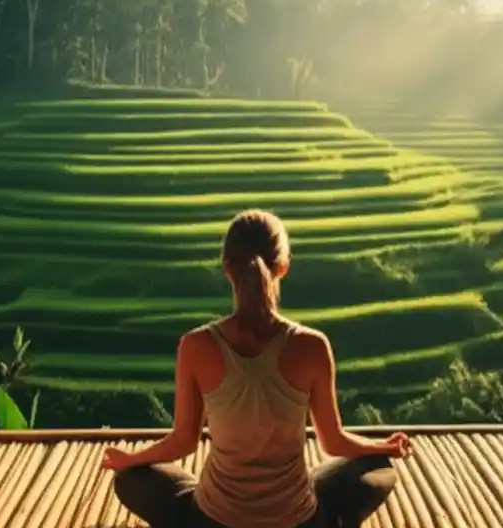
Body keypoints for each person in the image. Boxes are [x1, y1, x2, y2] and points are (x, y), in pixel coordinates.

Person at [102, 209, 411, 528]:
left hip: (213, 520)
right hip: (297, 521)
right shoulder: (312, 346)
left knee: (130, 479)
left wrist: (131, 460)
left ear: (226, 269)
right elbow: (332, 442)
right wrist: (380, 446)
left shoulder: (196, 346)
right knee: (377, 466)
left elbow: (183, 441)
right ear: (284, 267)